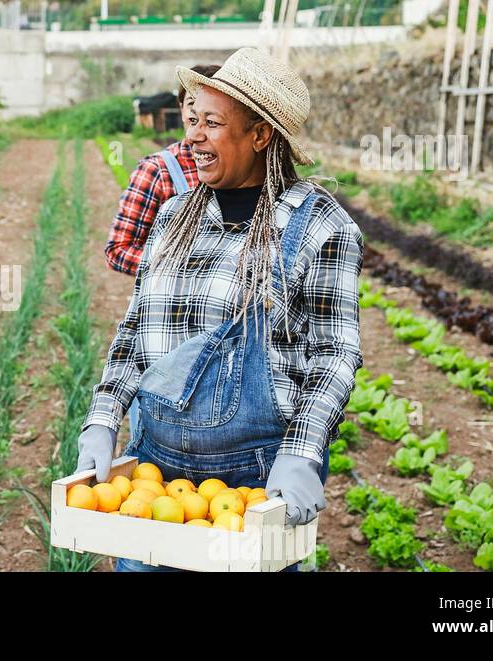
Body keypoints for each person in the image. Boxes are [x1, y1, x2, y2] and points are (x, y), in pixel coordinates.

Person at [77, 47, 363, 572]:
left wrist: (302, 451)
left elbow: (334, 354)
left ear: (260, 136)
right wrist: (102, 419)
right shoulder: (173, 216)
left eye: (212, 123)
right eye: (194, 121)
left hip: (255, 478)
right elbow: (137, 330)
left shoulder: (320, 227)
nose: (193, 136)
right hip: (155, 476)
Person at [105, 63, 219, 452]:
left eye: (213, 113)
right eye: (192, 106)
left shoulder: (252, 176)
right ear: (182, 108)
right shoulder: (158, 171)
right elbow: (118, 250)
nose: (199, 119)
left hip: (227, 334)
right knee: (157, 446)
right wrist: (176, 270)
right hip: (167, 337)